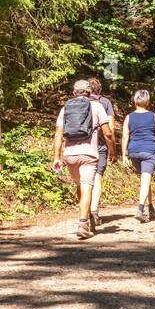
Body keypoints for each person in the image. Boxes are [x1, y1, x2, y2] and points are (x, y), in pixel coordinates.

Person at [52, 79, 114, 239]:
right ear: (89, 92)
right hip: (88, 154)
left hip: (70, 155)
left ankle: (86, 218)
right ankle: (83, 223)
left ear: (73, 93)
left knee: (80, 186)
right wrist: (112, 150)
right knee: (87, 187)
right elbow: (107, 133)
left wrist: (56, 157)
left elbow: (58, 133)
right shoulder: (97, 106)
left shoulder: (66, 108)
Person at [119, 89, 155, 222]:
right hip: (148, 151)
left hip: (134, 152)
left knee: (145, 179)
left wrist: (124, 155)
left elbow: (125, 136)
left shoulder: (129, 117)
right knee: (145, 179)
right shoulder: (154, 116)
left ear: (134, 101)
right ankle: (140, 209)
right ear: (148, 102)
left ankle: (151, 207)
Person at [87, 77, 116, 229]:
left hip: (82, 145)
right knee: (97, 177)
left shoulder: (79, 102)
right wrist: (113, 150)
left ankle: (84, 212)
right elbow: (110, 127)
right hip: (100, 145)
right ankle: (94, 210)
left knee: (85, 180)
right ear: (100, 90)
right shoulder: (105, 103)